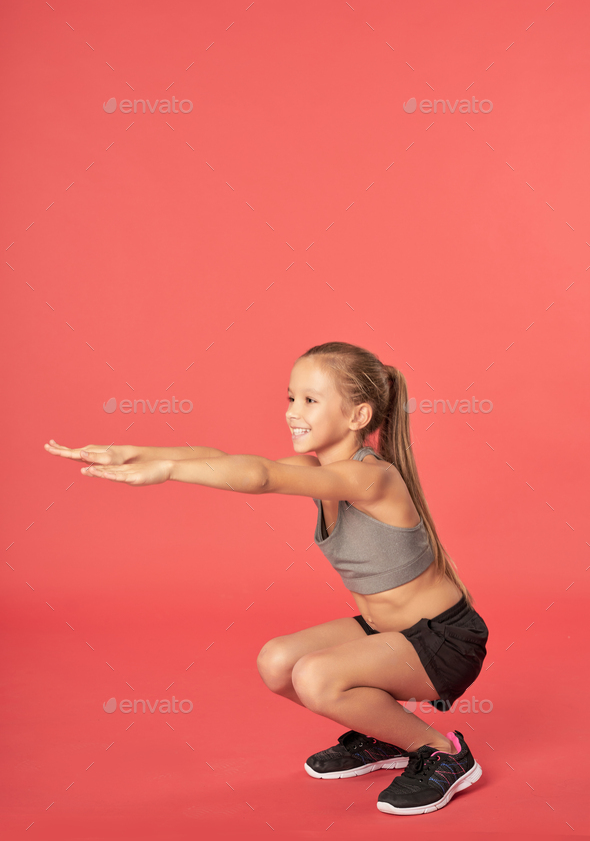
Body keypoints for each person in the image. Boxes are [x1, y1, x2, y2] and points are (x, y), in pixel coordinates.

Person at [44, 340, 489, 816]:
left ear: (359, 416)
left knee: (315, 676)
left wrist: (168, 469)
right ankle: (387, 735)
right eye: (290, 398)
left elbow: (261, 477)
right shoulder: (321, 473)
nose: (293, 412)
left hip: (445, 641)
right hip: (390, 633)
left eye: (310, 400)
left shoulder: (370, 478)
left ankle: (443, 752)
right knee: (277, 662)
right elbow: (229, 458)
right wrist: (135, 451)